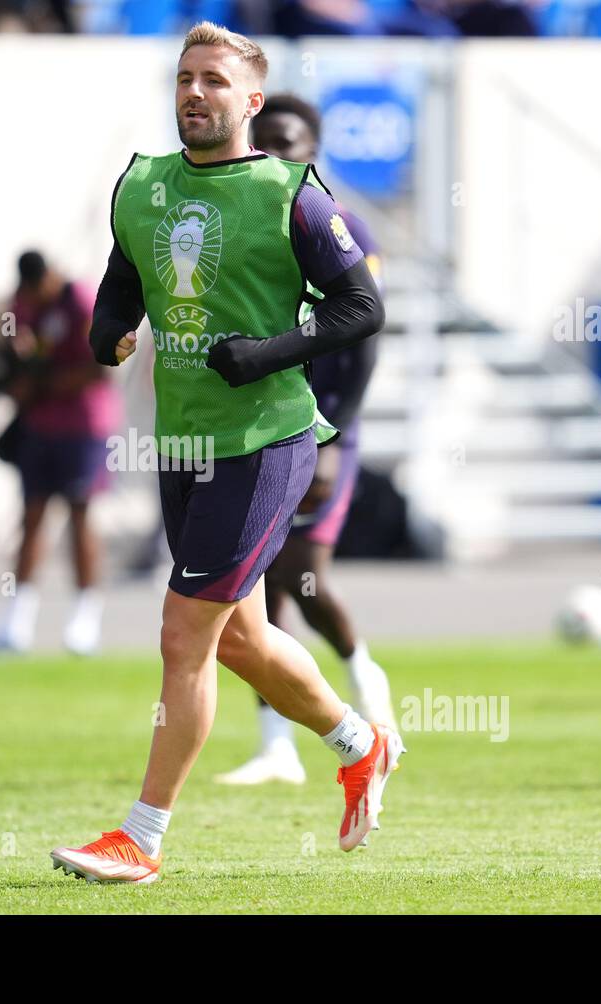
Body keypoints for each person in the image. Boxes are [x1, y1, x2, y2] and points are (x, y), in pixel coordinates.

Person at [50, 23, 401, 884]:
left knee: (183, 634)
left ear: (250, 100)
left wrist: (268, 353)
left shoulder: (293, 193)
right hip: (184, 443)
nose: (194, 93)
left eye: (213, 79)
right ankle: (362, 743)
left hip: (265, 440)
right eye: (184, 78)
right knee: (241, 639)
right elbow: (124, 275)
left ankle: (141, 836)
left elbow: (361, 308)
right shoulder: (141, 186)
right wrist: (106, 329)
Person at [214, 93, 396, 787]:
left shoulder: (339, 227)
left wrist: (334, 433)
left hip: (325, 429)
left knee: (304, 576)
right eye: (267, 141)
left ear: (313, 149)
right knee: (256, 589)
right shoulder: (248, 224)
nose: (277, 152)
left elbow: (364, 336)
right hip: (267, 426)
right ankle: (274, 747)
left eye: (289, 142)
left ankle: (365, 683)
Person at [0, 251, 122, 655]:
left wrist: (44, 383)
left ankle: (84, 619)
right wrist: (16, 361)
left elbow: (102, 366)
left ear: (50, 279)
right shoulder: (24, 299)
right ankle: (15, 623)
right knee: (32, 516)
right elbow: (12, 332)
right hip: (41, 426)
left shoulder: (81, 300)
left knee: (80, 515)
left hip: (83, 425)